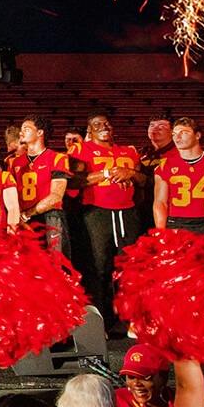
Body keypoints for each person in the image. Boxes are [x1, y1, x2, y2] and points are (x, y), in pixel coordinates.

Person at [74, 114, 143, 333]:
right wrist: (107, 173)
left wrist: (130, 173)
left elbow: (144, 180)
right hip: (97, 212)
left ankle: (132, 319)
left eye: (106, 124)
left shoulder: (129, 151)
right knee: (98, 267)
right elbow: (74, 181)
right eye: (97, 125)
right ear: (89, 130)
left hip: (127, 211)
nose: (103, 127)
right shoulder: (80, 150)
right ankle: (100, 322)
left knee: (130, 267)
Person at [12, 115, 73, 253]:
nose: (21, 132)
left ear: (40, 132)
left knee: (56, 263)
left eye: (26, 129)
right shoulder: (15, 162)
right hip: (24, 219)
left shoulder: (57, 158)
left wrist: (27, 214)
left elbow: (56, 196)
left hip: (50, 217)